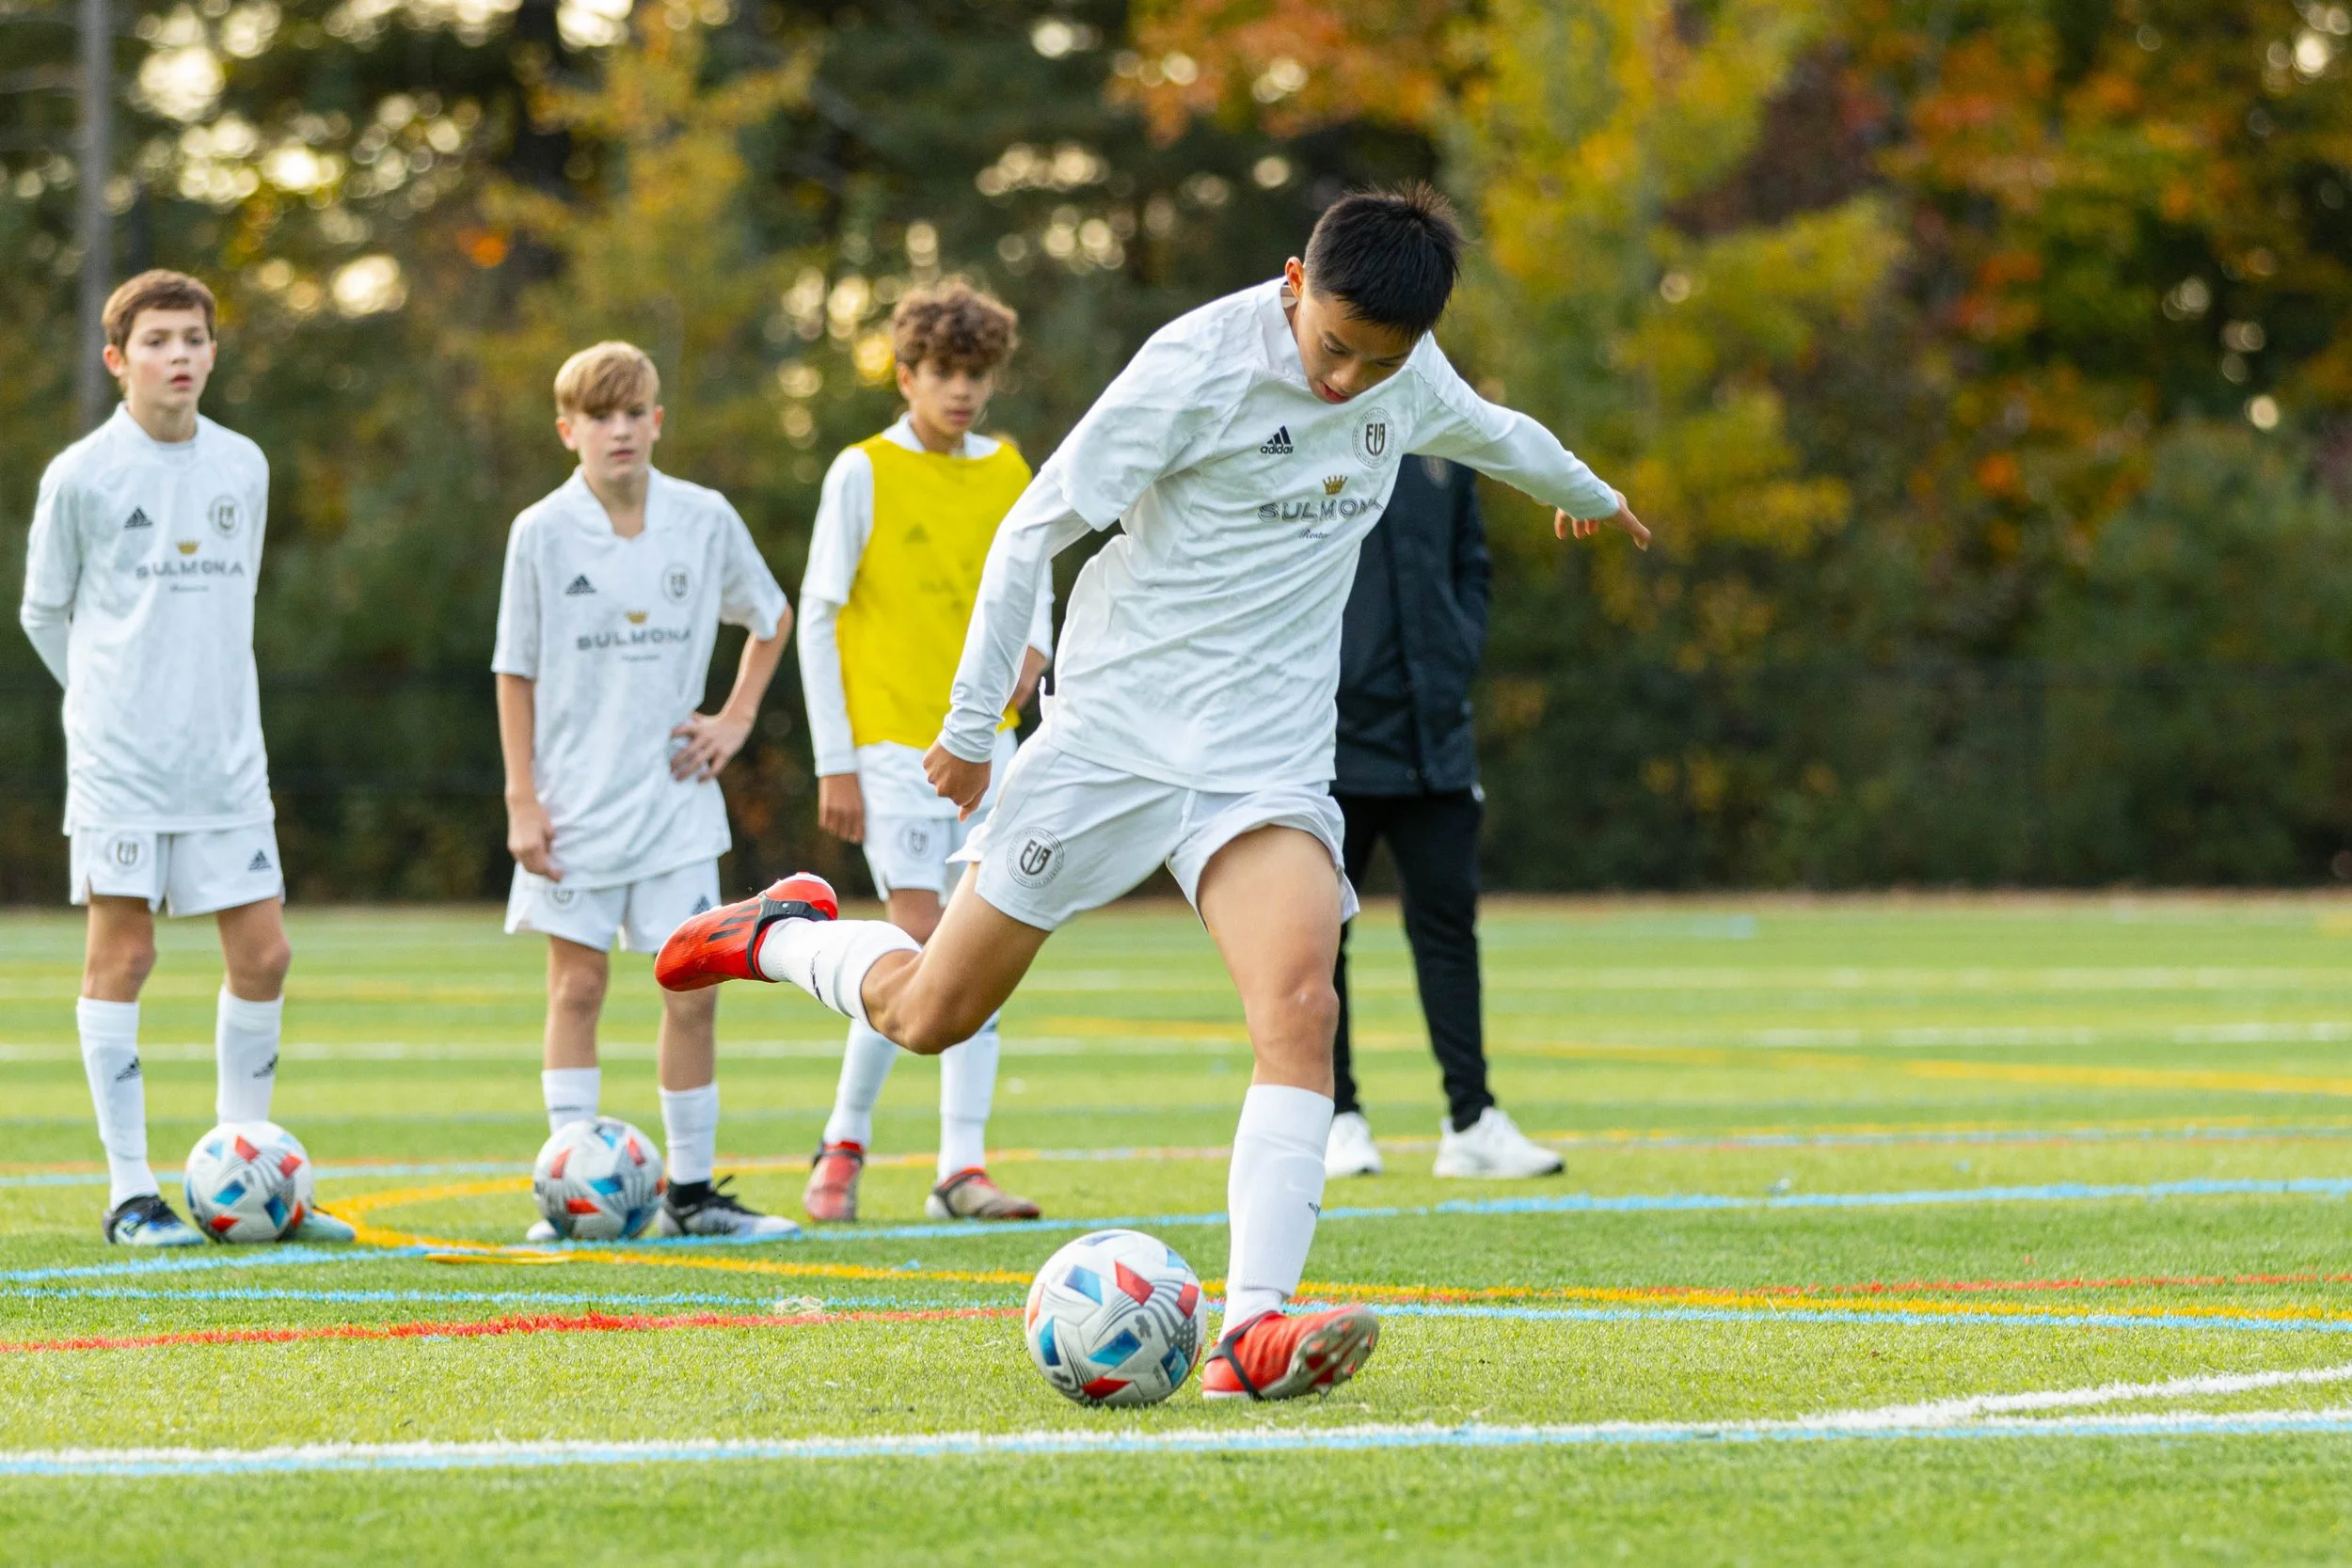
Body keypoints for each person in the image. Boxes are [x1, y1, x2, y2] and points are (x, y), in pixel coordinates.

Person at [658, 186, 1648, 1400]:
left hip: (1262, 763)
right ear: (1293, 280)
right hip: (1110, 739)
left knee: (1299, 1003)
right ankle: (779, 936)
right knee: (929, 1013)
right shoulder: (1192, 368)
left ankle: (1254, 1330)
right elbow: (1030, 532)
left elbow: (1499, 432)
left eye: (1376, 363)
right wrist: (973, 729)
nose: (1348, 383)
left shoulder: (1408, 375)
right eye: (1331, 346)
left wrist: (1591, 494)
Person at [19, 269, 353, 1245]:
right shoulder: (81, 474)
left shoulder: (243, 465)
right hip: (122, 762)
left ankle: (247, 1179)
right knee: (125, 957)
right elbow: (43, 609)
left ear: (213, 352)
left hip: (226, 762)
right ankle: (131, 1194)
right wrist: (99, 700)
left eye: (194, 338)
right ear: (119, 359)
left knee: (265, 953)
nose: (180, 355)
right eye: (158, 339)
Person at [493, 340, 798, 1240]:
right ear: (568, 431)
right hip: (573, 807)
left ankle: (694, 1196)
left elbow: (770, 618)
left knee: (691, 990)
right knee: (577, 989)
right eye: (600, 416)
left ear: (657, 421)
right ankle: (568, 1193)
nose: (619, 430)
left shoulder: (702, 518)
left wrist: (735, 720)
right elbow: (514, 672)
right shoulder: (540, 532)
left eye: (634, 413)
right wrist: (522, 798)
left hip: (674, 804)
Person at [797, 280, 1051, 1224]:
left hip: (995, 751)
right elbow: (819, 618)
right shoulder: (859, 470)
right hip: (892, 747)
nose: (961, 391)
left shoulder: (1008, 468)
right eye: (942, 372)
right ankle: (847, 1138)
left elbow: (1038, 590)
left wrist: (1035, 661)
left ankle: (959, 1168)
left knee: (981, 942)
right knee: (917, 944)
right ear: (905, 376)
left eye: (975, 374)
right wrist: (836, 759)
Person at [1323, 454, 1564, 1180]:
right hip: (1329, 741)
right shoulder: (1312, 423)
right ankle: (1335, 1117)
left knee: (1449, 933)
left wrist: (1455, 654)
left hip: (1436, 741)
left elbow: (1472, 564)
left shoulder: (1443, 440)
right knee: (1316, 937)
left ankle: (1471, 1120)